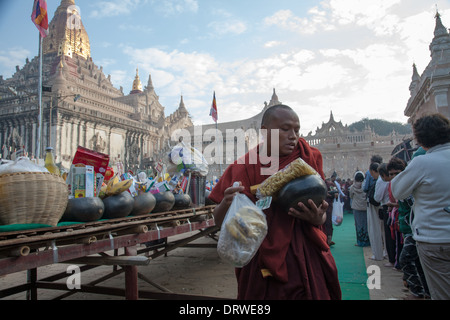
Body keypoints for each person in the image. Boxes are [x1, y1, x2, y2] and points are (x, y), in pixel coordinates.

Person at [208, 104, 341, 300]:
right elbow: (219, 222)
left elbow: (320, 215)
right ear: (264, 132)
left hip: (304, 250)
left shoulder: (309, 156)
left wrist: (316, 217)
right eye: (285, 129)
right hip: (261, 257)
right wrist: (226, 203)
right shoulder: (243, 166)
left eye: (296, 130)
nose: (293, 136)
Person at [391, 113, 450, 300]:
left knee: (442, 292)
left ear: (420, 139)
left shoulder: (422, 161)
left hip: (435, 239)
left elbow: (398, 190)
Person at [388, 156, 429, 299]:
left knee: (405, 258)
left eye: (397, 173)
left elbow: (414, 207)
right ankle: (425, 291)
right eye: (391, 174)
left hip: (415, 230)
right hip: (408, 230)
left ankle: (417, 290)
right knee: (417, 261)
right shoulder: (401, 188)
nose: (394, 176)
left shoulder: (408, 188)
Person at [374, 163, 399, 269]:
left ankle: (393, 260)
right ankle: (394, 259)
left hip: (391, 210)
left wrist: (391, 204)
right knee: (392, 236)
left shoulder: (386, 182)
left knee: (390, 236)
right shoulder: (392, 182)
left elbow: (377, 197)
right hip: (392, 210)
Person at [366, 162, 384, 260]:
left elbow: (377, 198)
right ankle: (382, 253)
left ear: (372, 171)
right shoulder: (380, 180)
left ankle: (377, 254)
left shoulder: (380, 181)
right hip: (380, 208)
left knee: (375, 230)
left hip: (376, 208)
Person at [349, 171, 369, 247]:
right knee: (366, 224)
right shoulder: (365, 186)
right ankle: (367, 241)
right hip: (365, 208)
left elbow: (351, 196)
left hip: (356, 208)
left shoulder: (352, 187)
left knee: (358, 225)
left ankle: (360, 242)